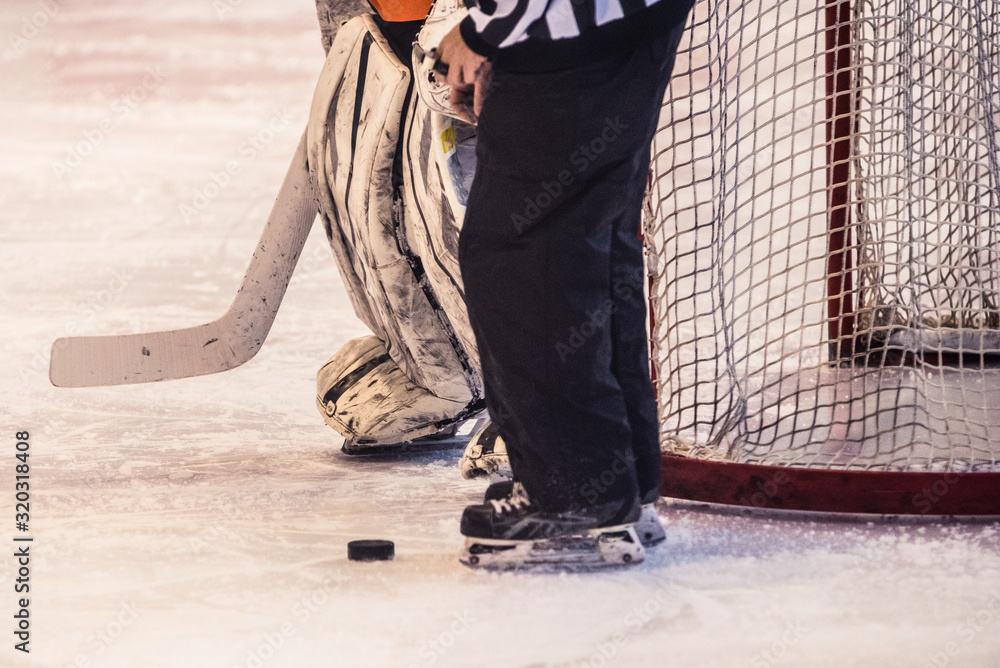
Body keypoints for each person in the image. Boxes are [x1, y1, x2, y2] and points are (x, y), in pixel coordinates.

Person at [434, 0, 695, 568]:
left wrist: (487, 31)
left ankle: (574, 490)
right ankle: (619, 477)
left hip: (575, 34)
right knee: (588, 236)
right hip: (620, 23)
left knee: (525, 253)